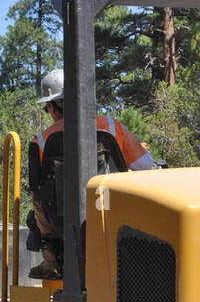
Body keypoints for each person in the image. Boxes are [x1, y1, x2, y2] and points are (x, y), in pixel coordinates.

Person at [28, 68, 158, 279]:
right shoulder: (111, 127)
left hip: (61, 223)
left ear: (52, 106)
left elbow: (37, 189)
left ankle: (51, 259)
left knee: (37, 201)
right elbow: (146, 166)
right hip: (113, 215)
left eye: (47, 107)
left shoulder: (41, 141)